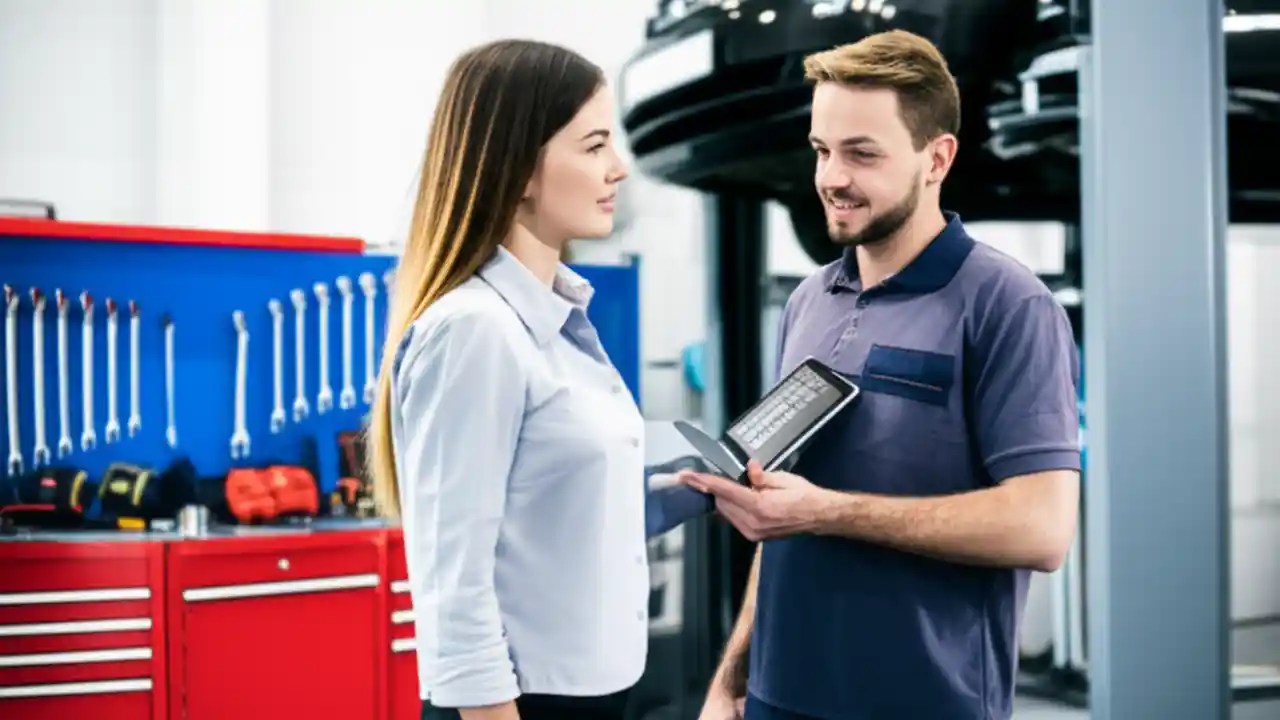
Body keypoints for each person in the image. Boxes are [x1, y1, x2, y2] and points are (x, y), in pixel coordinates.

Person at [679, 30, 1082, 720]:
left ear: (937, 158)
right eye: (821, 150)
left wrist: (827, 511)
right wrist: (733, 676)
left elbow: (1041, 530)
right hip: (781, 696)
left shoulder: (1007, 304)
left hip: (923, 701)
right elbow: (778, 513)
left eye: (862, 153)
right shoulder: (807, 302)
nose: (832, 177)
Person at [365, 39, 713, 720]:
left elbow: (548, 520)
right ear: (520, 169)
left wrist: (688, 495)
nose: (619, 170)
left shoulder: (555, 317)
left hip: (589, 695)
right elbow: (453, 583)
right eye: (593, 146)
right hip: (517, 705)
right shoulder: (475, 331)